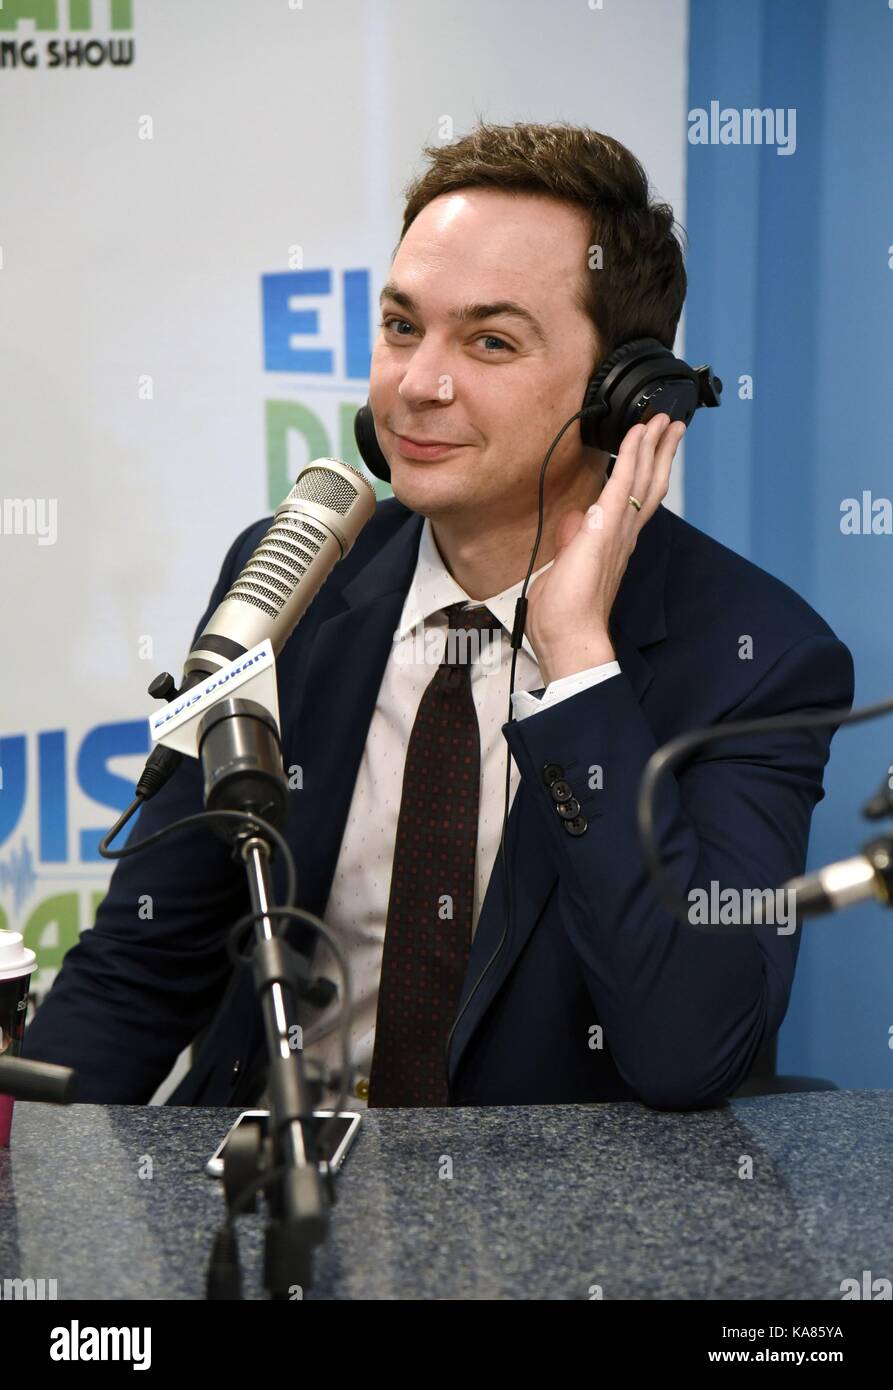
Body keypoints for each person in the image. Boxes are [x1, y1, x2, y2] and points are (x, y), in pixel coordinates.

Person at [24, 121, 854, 1110]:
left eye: (490, 341)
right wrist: (28, 1192)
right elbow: (140, 971)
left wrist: (579, 664)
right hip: (278, 1183)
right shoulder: (288, 579)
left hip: (550, 1237)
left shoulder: (754, 658)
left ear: (623, 399)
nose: (417, 385)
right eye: (401, 326)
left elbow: (690, 1049)